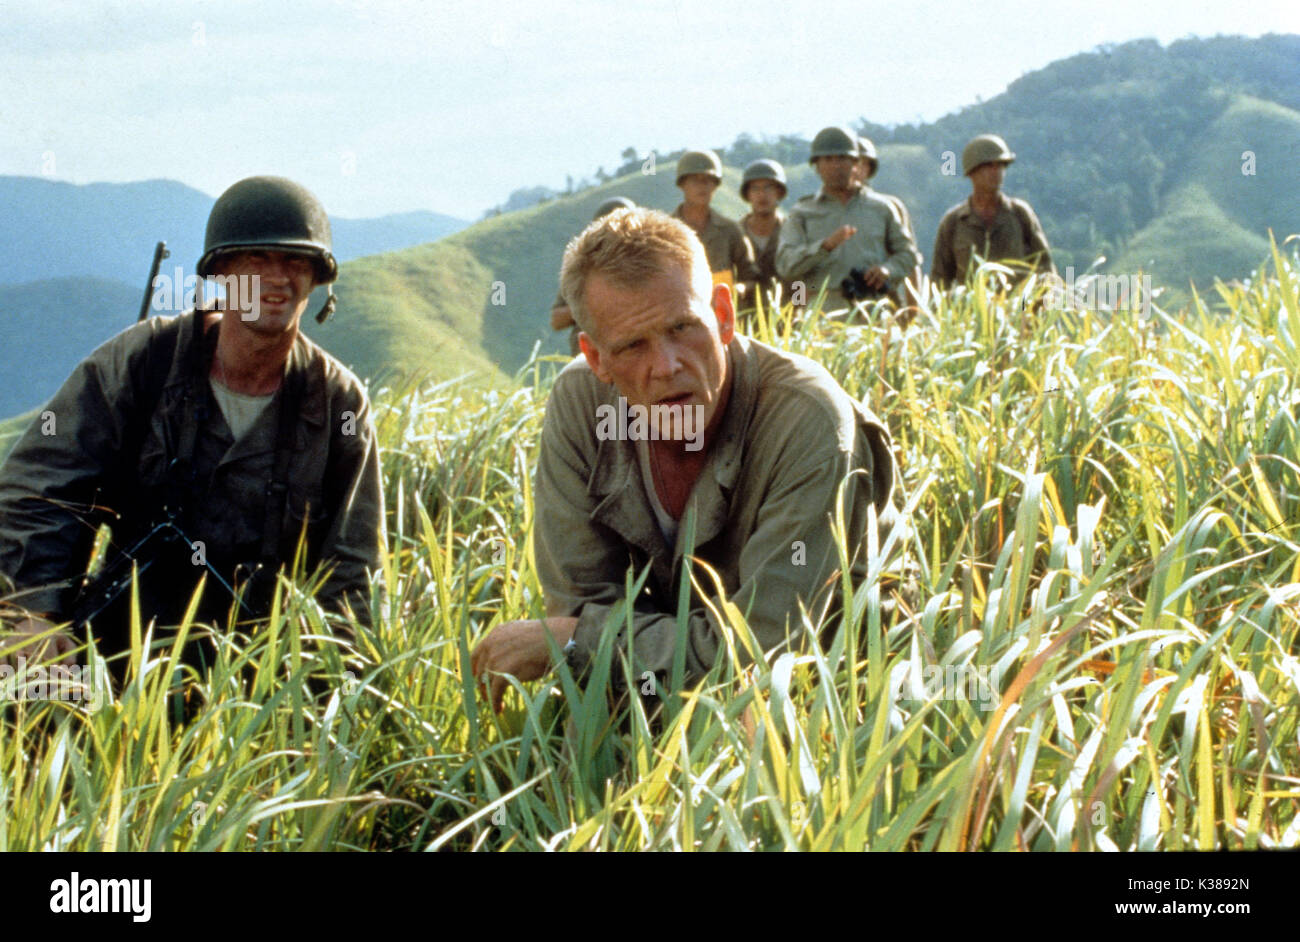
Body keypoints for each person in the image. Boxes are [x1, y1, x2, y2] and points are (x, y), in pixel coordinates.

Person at [470, 208, 894, 713]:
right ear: (596, 357)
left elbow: (765, 655)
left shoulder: (808, 419)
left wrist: (574, 642)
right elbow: (581, 604)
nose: (667, 366)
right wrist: (587, 644)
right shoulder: (581, 403)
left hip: (829, 693)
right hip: (654, 681)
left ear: (723, 314)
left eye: (683, 328)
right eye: (633, 345)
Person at [0, 176, 385, 685]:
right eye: (255, 260)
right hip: (113, 647)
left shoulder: (337, 402)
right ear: (221, 272)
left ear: (318, 279)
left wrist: (330, 686)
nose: (276, 278)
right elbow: (39, 490)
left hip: (257, 672)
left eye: (295, 262)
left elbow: (352, 567)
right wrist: (34, 613)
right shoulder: (142, 362)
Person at [776, 126, 920, 309]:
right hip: (822, 313)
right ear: (816, 166)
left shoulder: (881, 208)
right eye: (828, 159)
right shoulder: (802, 213)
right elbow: (786, 265)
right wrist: (824, 246)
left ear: (855, 164)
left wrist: (887, 270)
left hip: (874, 310)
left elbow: (908, 254)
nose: (835, 165)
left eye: (842, 158)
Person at [931, 134, 1056, 290]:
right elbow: (939, 280)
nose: (996, 171)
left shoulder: (1019, 214)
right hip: (971, 312)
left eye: (1001, 165)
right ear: (972, 171)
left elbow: (1045, 269)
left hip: (1018, 311)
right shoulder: (954, 222)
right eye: (989, 165)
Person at [551, 197, 637, 356]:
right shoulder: (583, 266)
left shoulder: (647, 262)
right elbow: (557, 320)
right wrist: (593, 304)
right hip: (592, 356)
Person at [671, 150, 758, 299]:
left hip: (721, 310)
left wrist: (740, 288)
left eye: (707, 180)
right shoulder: (667, 230)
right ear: (682, 184)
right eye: (695, 180)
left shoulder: (731, 230)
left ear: (715, 185)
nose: (702, 186)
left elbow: (751, 276)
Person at [852, 135, 923, 309]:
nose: (855, 169)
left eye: (862, 163)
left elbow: (910, 263)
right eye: (851, 162)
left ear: (869, 168)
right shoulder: (816, 210)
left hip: (883, 305)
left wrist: (913, 313)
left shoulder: (889, 207)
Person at [738, 159, 791, 310]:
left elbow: (800, 281)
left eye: (768, 188)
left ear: (779, 192)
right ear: (747, 194)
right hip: (745, 318)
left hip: (785, 317)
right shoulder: (735, 234)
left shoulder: (792, 232)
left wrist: (797, 312)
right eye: (755, 188)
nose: (762, 194)